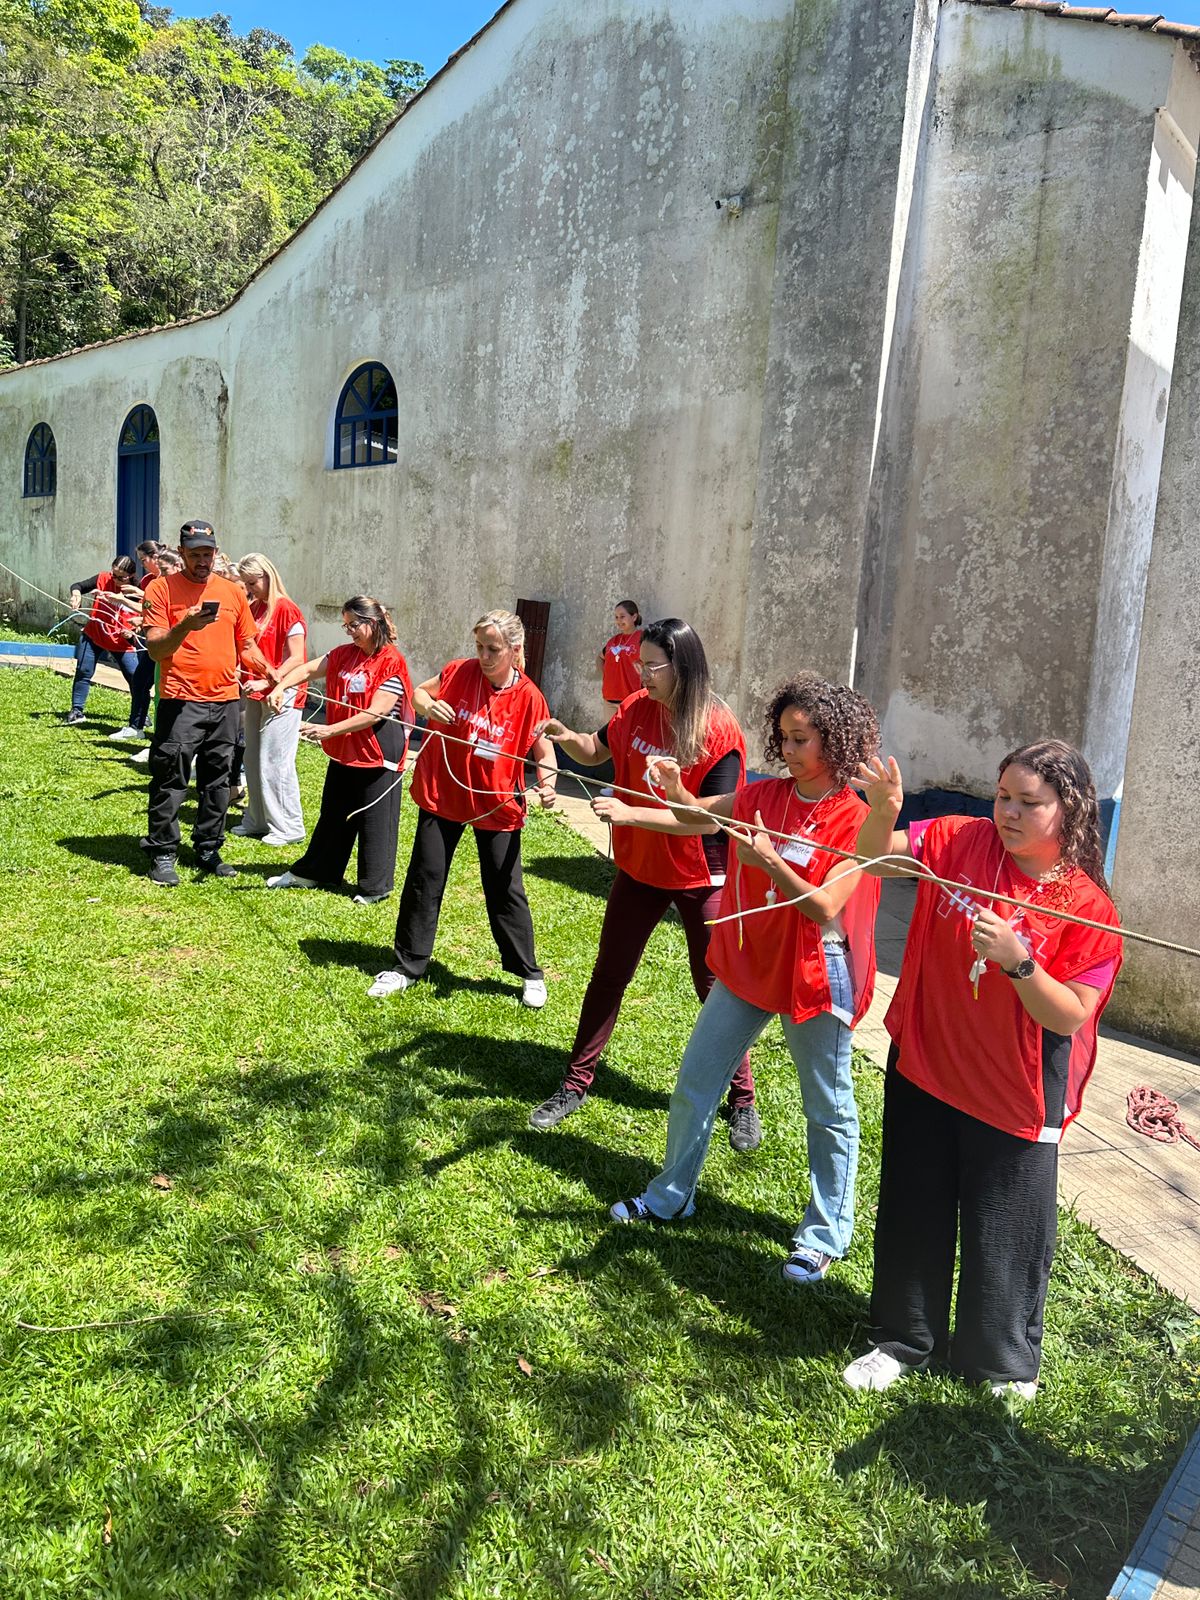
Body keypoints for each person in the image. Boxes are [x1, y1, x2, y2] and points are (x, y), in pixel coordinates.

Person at [842, 739, 1122, 1398]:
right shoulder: (959, 840)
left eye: (1031, 803)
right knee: (913, 1212)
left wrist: (1021, 962)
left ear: (1070, 810)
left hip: (1015, 1095)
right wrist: (882, 810)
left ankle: (1000, 1364)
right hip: (929, 1066)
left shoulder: (1088, 909)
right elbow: (871, 862)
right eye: (1003, 796)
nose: (1010, 813)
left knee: (1006, 1236)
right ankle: (903, 1338)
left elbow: (1068, 1017)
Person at [607, 673, 882, 1287]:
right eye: (783, 737)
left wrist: (771, 862)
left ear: (835, 742)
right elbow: (699, 818)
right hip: (748, 962)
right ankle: (671, 1194)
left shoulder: (854, 820)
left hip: (815, 974)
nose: (789, 750)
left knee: (828, 1109)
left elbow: (825, 908)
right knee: (695, 1084)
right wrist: (678, 787)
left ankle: (824, 1236)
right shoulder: (763, 796)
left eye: (803, 739)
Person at [529, 616, 764, 1152]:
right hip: (640, 870)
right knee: (609, 975)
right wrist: (569, 738)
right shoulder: (636, 705)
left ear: (682, 666)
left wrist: (631, 813)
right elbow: (599, 748)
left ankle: (744, 1100)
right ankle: (575, 1082)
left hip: (700, 874)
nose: (643, 674)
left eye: (652, 665)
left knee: (715, 990)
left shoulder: (716, 730)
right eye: (640, 663)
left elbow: (709, 821)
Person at [367, 609, 558, 1007]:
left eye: (493, 649)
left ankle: (528, 972)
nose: (484, 656)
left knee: (505, 888)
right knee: (425, 878)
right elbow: (419, 692)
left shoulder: (529, 697)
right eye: (479, 647)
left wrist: (549, 785)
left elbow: (546, 752)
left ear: (514, 650)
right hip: (444, 793)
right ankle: (407, 965)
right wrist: (428, 706)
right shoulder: (459, 671)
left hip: (495, 804)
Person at [141, 520, 273, 886]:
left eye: (208, 553)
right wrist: (186, 625)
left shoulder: (231, 592)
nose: (202, 560)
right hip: (181, 700)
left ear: (216, 553)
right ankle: (163, 852)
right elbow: (155, 649)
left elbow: (246, 646)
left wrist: (270, 671)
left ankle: (208, 848)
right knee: (171, 778)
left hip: (226, 700)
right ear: (181, 552)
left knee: (219, 781)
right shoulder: (160, 589)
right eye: (195, 553)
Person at [264, 596, 412, 903]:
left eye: (354, 625)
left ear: (373, 623)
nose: (350, 633)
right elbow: (305, 671)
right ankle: (317, 871)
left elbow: (376, 713)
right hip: (346, 746)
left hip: (378, 747)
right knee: (334, 812)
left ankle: (374, 887)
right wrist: (280, 687)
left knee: (375, 819)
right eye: (345, 626)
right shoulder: (344, 654)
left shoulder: (390, 661)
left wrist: (328, 729)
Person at [231, 553, 307, 846]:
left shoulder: (287, 609)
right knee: (252, 757)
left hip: (284, 693)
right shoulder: (253, 607)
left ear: (268, 576)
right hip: (256, 692)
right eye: (247, 583)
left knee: (275, 761)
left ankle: (289, 826)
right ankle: (257, 820)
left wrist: (269, 679)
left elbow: (297, 658)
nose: (251, 588)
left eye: (254, 582)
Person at [65, 556, 144, 728]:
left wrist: (132, 632)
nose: (114, 579)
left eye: (120, 577)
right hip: (94, 635)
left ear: (131, 575)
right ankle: (76, 711)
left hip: (121, 642)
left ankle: (140, 716)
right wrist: (76, 595)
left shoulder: (138, 591)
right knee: (83, 670)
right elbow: (78, 586)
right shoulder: (102, 578)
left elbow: (145, 617)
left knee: (135, 678)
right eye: (113, 574)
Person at [129, 548, 180, 767]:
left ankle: (166, 745)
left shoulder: (180, 590)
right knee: (160, 697)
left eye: (164, 570)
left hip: (177, 656)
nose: (161, 574)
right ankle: (159, 743)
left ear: (178, 567)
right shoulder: (162, 587)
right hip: (162, 653)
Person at [598, 599, 642, 706]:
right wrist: (606, 674)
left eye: (622, 616)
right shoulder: (613, 641)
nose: (618, 620)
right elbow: (600, 657)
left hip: (632, 700)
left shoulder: (643, 639)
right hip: (610, 699)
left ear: (634, 617)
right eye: (616, 617)